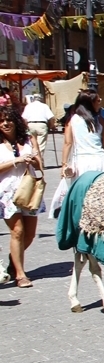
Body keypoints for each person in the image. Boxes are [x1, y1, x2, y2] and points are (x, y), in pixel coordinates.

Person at [49, 89, 104, 218]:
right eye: (97, 100)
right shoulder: (101, 121)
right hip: (100, 162)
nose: (100, 101)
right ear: (91, 103)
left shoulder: (72, 120)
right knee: (101, 199)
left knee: (81, 198)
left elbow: (67, 143)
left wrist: (64, 164)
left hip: (81, 163)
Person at [0, 104, 45, 288]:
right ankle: (20, 274)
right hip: (7, 191)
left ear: (16, 121)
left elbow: (40, 164)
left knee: (30, 235)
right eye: (1, 121)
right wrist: (15, 161)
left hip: (29, 190)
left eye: (8, 120)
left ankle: (13, 260)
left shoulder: (28, 139)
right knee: (17, 231)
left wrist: (33, 159)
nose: (5, 124)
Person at [21, 94, 56, 166]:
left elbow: (23, 118)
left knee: (32, 144)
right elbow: (51, 117)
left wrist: (26, 126)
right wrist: (52, 126)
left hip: (30, 125)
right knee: (40, 145)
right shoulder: (44, 106)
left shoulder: (28, 106)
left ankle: (34, 161)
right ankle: (38, 162)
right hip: (41, 125)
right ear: (41, 99)